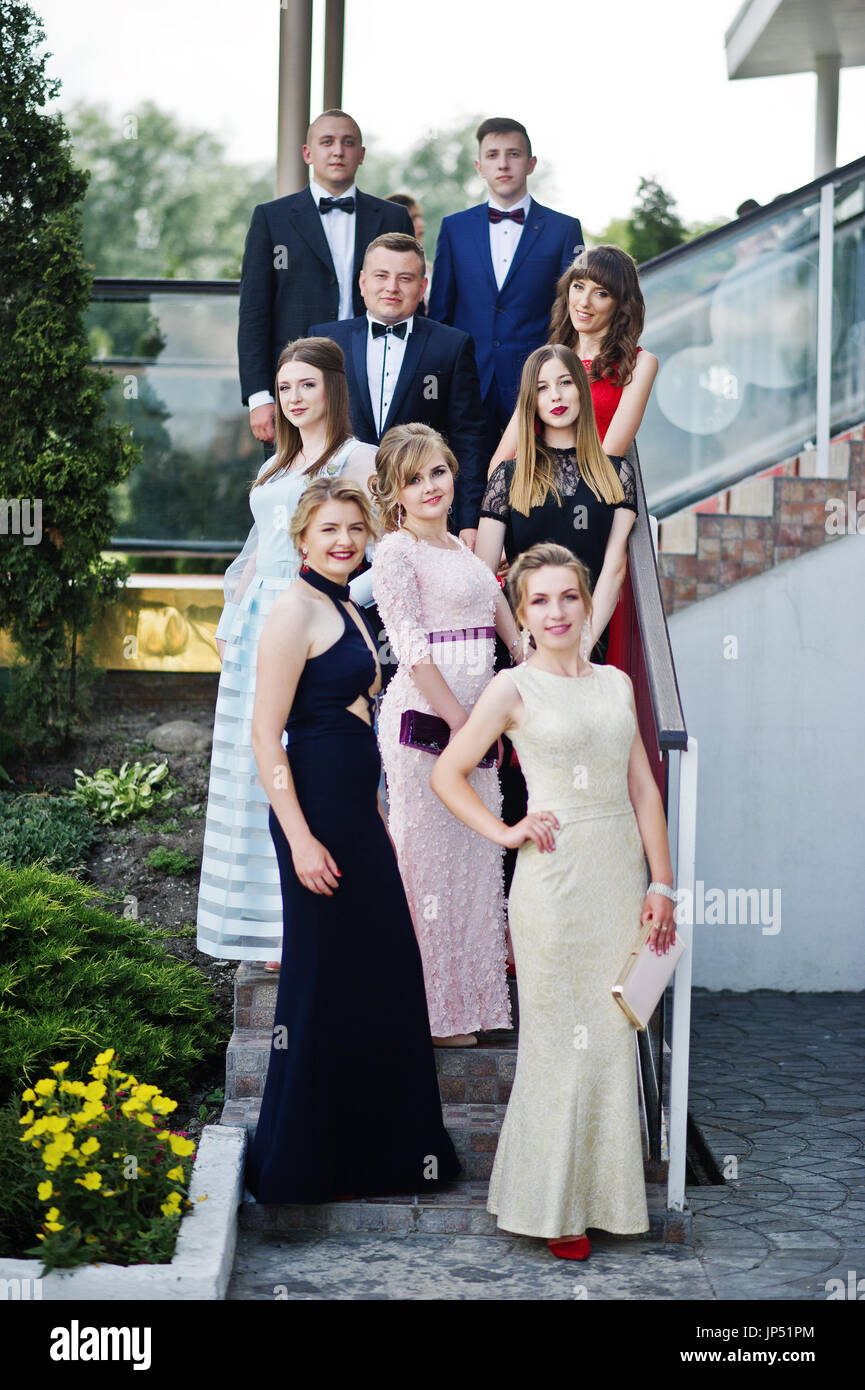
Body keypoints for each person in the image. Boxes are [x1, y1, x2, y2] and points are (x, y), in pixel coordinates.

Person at [430, 542, 677, 1258]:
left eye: (568, 596)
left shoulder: (617, 684)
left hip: (619, 880)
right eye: (538, 600)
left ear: (586, 602)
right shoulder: (512, 688)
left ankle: (602, 1201)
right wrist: (506, 832)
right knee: (559, 1048)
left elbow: (642, 788)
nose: (556, 611)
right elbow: (447, 774)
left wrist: (661, 883)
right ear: (521, 612)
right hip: (555, 891)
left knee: (610, 1040)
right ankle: (552, 1208)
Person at [245, 477, 460, 1202]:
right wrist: (300, 840)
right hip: (313, 818)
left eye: (354, 529)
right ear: (302, 538)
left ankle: (380, 1156)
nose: (343, 541)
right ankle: (300, 1164)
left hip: (355, 816)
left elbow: (359, 723)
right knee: (318, 981)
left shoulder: (346, 606)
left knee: (382, 971)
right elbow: (265, 738)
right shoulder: (293, 610)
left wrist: (376, 817)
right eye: (329, 530)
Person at [197, 338, 377, 968]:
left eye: (306, 384)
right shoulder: (277, 464)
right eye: (284, 388)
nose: (294, 398)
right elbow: (258, 549)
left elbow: (386, 548)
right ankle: (264, 926)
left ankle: (300, 916)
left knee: (302, 757)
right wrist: (230, 621)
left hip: (311, 623)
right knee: (255, 762)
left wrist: (339, 601)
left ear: (333, 387)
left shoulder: (359, 457)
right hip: (256, 626)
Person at [370, 424, 520, 1046]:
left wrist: (527, 658)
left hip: (475, 722)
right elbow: (409, 647)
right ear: (394, 492)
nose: (430, 486)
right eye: (414, 479)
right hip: (425, 727)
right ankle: (431, 1014)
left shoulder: (462, 547)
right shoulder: (395, 552)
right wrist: (463, 725)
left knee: (476, 862)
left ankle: (472, 1004)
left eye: (438, 472)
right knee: (428, 868)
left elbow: (497, 610)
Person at [238, 109, 413, 453]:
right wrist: (259, 396)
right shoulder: (270, 218)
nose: (338, 151)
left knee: (377, 477)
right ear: (308, 153)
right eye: (327, 142)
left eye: (348, 143)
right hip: (296, 384)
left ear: (361, 154)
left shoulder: (394, 218)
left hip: (376, 377)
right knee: (296, 481)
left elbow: (410, 302)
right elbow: (254, 312)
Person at [310, 233, 487, 546]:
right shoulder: (326, 341)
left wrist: (469, 520)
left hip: (422, 516)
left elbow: (468, 438)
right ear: (363, 282)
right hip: (339, 509)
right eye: (381, 276)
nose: (392, 287)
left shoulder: (452, 346)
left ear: (422, 287)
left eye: (405, 278)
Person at [428, 117, 583, 460]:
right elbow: (441, 313)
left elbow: (573, 313)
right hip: (470, 380)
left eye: (513, 154)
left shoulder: (564, 229)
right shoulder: (454, 228)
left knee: (540, 474)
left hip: (539, 381)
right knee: (468, 475)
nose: (503, 164)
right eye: (493, 155)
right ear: (479, 166)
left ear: (531, 163)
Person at [488, 245, 658, 469]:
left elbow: (609, 460)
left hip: (598, 485)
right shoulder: (547, 358)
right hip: (532, 484)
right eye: (578, 286)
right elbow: (501, 460)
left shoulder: (640, 363)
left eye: (601, 293)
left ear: (621, 304)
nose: (584, 302)